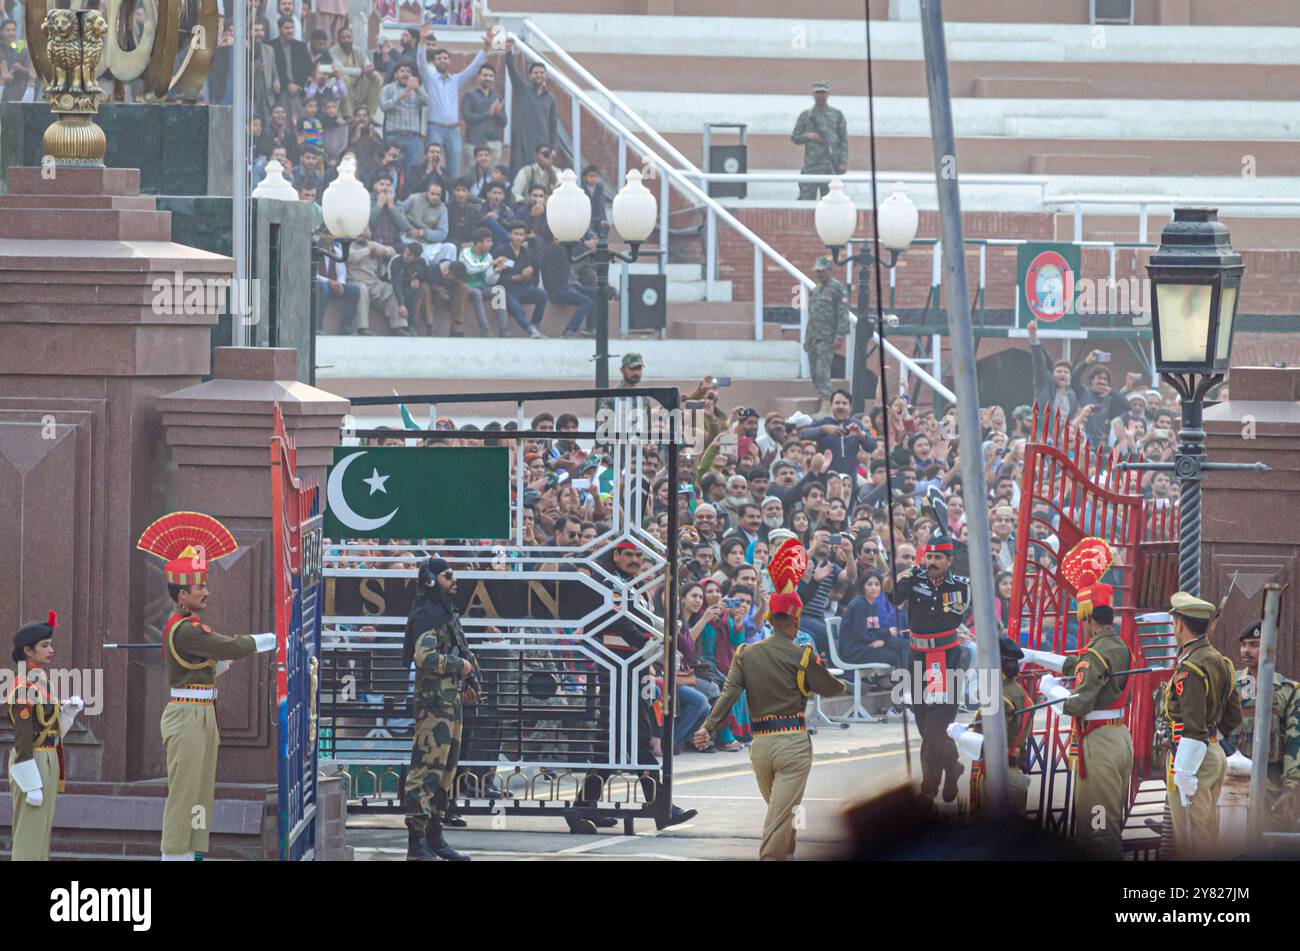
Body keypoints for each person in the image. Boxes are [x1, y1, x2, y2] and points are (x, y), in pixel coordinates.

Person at [135, 511, 277, 860]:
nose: (206, 592)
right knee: (185, 793)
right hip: (187, 715)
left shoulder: (188, 627)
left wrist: (215, 667)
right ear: (182, 594)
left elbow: (210, 659)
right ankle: (174, 854)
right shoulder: (186, 628)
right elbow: (229, 645)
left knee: (200, 792)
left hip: (200, 712)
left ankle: (193, 850)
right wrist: (270, 639)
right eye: (200, 587)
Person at [695, 536, 845, 859]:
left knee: (781, 810)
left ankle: (787, 853)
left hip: (760, 746)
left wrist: (709, 726)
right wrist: (820, 671)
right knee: (780, 816)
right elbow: (834, 689)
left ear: (769, 620)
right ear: (796, 621)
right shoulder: (802, 655)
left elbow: (728, 693)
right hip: (792, 741)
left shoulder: (746, 653)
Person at [1028, 538, 1133, 857]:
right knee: (1104, 822)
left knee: (1099, 830)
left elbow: (1076, 705)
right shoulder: (1115, 646)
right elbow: (1075, 664)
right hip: (1116, 737)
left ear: (1087, 616)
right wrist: (1033, 655)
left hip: (1099, 744)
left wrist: (1049, 689)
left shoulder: (1097, 654)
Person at [400, 557, 479, 861]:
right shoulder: (428, 614)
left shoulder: (446, 611)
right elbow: (425, 658)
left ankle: (434, 838)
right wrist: (461, 666)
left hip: (450, 702)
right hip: (434, 705)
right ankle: (416, 845)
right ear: (431, 579)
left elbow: (460, 646)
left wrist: (471, 676)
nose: (453, 580)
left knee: (445, 772)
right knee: (426, 771)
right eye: (448, 576)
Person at [891, 520, 970, 803]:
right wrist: (903, 578)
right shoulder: (915, 580)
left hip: (945, 658)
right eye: (929, 556)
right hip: (918, 658)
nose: (932, 562)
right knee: (925, 724)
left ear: (950, 560)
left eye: (938, 557)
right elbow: (895, 600)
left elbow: (955, 617)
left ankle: (928, 787)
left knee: (938, 726)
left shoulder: (960, 585)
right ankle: (953, 765)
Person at [1161, 591, 1242, 857]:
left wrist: (1184, 773)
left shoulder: (1191, 667)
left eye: (1174, 622)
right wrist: (1212, 735)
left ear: (1180, 624)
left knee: (1192, 841)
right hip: (1212, 751)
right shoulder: (1222, 661)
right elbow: (1233, 715)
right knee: (1206, 832)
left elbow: (1193, 726)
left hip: (1190, 758)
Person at [8, 612, 82, 861]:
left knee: (41, 835)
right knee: (29, 835)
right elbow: (23, 738)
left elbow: (50, 732)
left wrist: (68, 714)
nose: (51, 649)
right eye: (45, 645)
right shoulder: (23, 687)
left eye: (50, 644)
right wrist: (30, 783)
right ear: (28, 651)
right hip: (30, 762)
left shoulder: (43, 684)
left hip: (47, 758)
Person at [948, 635, 1033, 815]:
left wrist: (961, 735)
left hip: (999, 777)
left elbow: (990, 744)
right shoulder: (1018, 693)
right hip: (1010, 772)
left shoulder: (1000, 699)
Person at [1232, 620, 1299, 829]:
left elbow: (1294, 743)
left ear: (1268, 647)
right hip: (1234, 779)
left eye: (1254, 644)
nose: (1246, 650)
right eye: (1243, 644)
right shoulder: (1230, 686)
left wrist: (1290, 788)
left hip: (1273, 783)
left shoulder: (1289, 690)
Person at [417, 33, 490, 179]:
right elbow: (421, 63)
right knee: (432, 166)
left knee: (454, 169)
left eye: (445, 58)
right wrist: (422, 41)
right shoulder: (430, 80)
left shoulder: (455, 80)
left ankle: (452, 199)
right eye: (439, 58)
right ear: (435, 62)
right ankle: (434, 196)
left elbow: (474, 67)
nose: (442, 60)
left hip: (453, 130)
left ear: (449, 61)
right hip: (435, 129)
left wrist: (486, 47)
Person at [503, 39, 558, 174]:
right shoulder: (523, 90)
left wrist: (554, 147)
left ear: (545, 76)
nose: (539, 75)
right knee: (522, 175)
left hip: (543, 145)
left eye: (541, 73)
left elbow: (553, 125)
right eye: (536, 73)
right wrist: (508, 51)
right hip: (523, 143)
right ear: (530, 75)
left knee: (541, 178)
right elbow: (512, 70)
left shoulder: (550, 99)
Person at [805, 257, 851, 413]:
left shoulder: (838, 288)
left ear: (829, 270)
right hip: (813, 337)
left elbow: (843, 315)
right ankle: (822, 397)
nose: (819, 274)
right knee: (814, 372)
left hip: (827, 338)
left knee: (822, 370)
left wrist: (839, 337)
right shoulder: (817, 289)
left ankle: (826, 402)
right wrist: (807, 338)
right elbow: (812, 316)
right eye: (817, 271)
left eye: (822, 271)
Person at [791, 79, 847, 200]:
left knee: (830, 203)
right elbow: (794, 137)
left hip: (830, 167)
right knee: (805, 202)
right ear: (813, 94)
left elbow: (844, 139)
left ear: (828, 94)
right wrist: (808, 136)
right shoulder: (806, 115)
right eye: (818, 92)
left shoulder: (837, 115)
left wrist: (843, 162)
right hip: (811, 167)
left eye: (823, 92)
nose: (820, 95)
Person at [379, 63, 427, 172]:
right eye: (402, 71)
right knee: (393, 169)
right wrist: (400, 97)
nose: (405, 74)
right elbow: (383, 106)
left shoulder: (418, 89)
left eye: (408, 71)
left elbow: (428, 102)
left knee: (412, 170)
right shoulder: (387, 89)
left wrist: (418, 89)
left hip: (413, 138)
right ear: (396, 74)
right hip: (394, 138)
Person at [461, 62, 506, 170]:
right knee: (471, 179)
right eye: (485, 75)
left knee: (492, 179)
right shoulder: (469, 95)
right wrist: (488, 113)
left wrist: (498, 113)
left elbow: (504, 122)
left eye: (490, 76)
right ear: (479, 76)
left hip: (494, 143)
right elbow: (468, 117)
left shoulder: (497, 97)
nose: (488, 78)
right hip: (474, 143)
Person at [329, 25, 380, 119]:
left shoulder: (358, 50)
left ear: (352, 38)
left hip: (359, 86)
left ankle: (369, 116)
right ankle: (348, 116)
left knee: (376, 77)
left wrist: (369, 68)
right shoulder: (333, 52)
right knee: (344, 77)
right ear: (338, 39)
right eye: (343, 37)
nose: (346, 40)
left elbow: (367, 65)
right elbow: (340, 69)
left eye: (349, 37)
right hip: (341, 87)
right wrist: (361, 71)